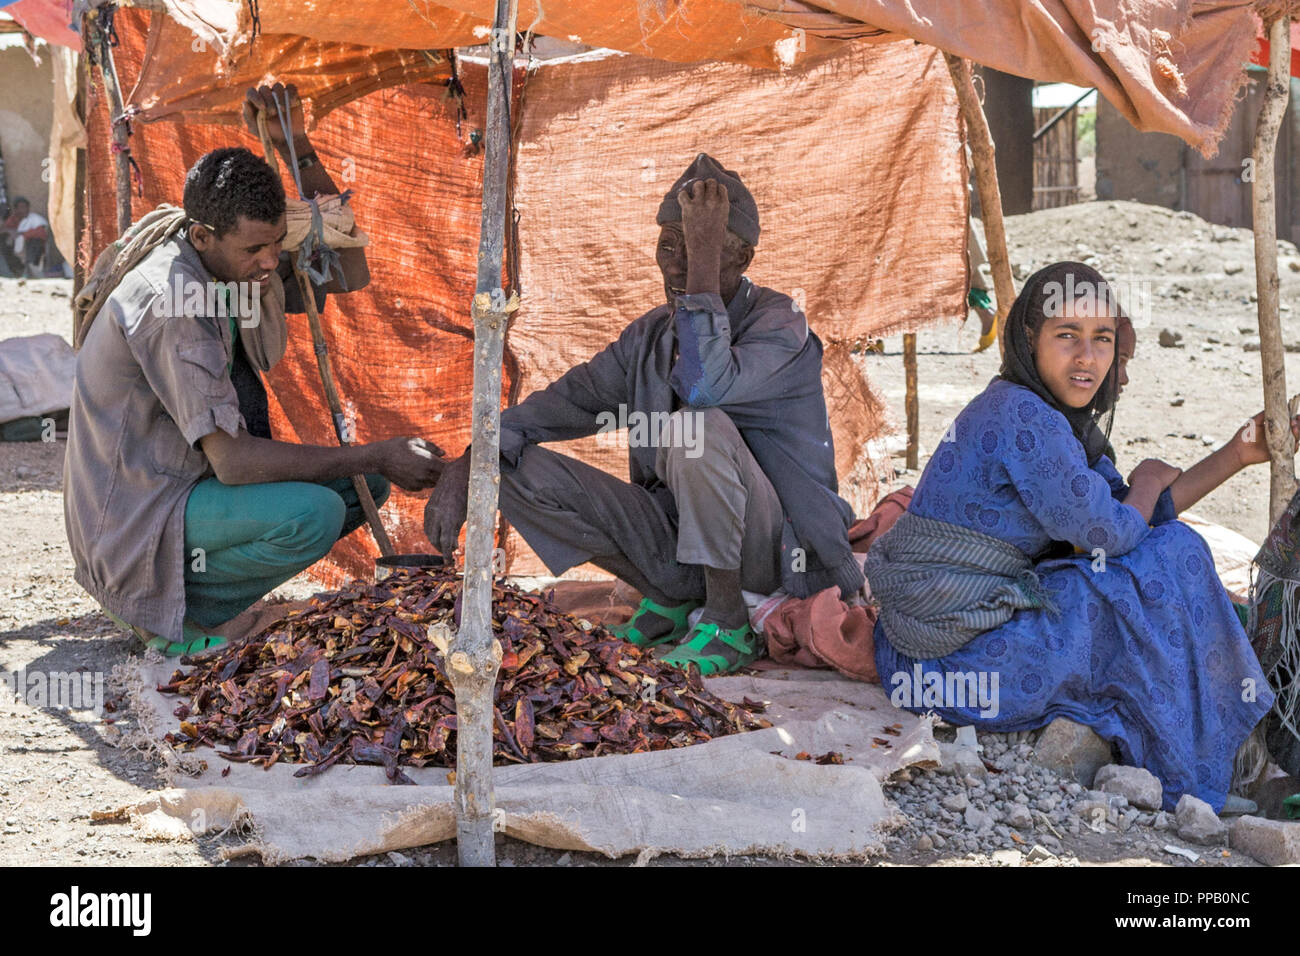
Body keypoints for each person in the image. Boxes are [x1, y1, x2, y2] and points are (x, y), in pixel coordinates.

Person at [867, 261, 1288, 813]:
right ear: (1027, 338)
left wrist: (1239, 452)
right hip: (948, 660)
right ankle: (1197, 769)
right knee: (1157, 569)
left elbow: (1141, 514)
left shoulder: (1057, 423)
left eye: (1103, 340)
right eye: (1066, 336)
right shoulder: (1021, 415)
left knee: (1167, 553)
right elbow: (1110, 531)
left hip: (938, 646)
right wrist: (1144, 481)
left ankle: (1213, 756)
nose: (1088, 358)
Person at [425, 153, 863, 675]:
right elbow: (558, 407)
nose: (678, 265)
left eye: (699, 249)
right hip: (682, 542)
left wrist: (701, 257)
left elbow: (704, 386)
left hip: (780, 553)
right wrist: (469, 462)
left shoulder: (780, 323)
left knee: (695, 429)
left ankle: (727, 619)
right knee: (511, 467)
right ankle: (674, 595)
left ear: (742, 260)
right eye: (669, 246)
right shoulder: (650, 336)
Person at [65, 83, 445, 657]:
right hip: (136, 517)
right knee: (314, 511)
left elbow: (345, 267)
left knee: (363, 487)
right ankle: (163, 616)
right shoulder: (175, 300)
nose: (270, 263)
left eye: (276, 245)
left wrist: (297, 146)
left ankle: (182, 600)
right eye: (255, 251)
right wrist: (373, 450)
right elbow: (236, 462)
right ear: (201, 237)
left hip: (189, 490)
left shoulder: (238, 271)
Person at [1, 197, 48, 277]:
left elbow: (41, 233)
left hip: (34, 248)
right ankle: (17, 272)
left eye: (25, 207)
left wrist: (22, 234)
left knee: (34, 243)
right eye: (21, 207)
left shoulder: (35, 219)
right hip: (18, 251)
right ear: (15, 209)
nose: (24, 210)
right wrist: (9, 231)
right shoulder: (14, 219)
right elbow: (4, 229)